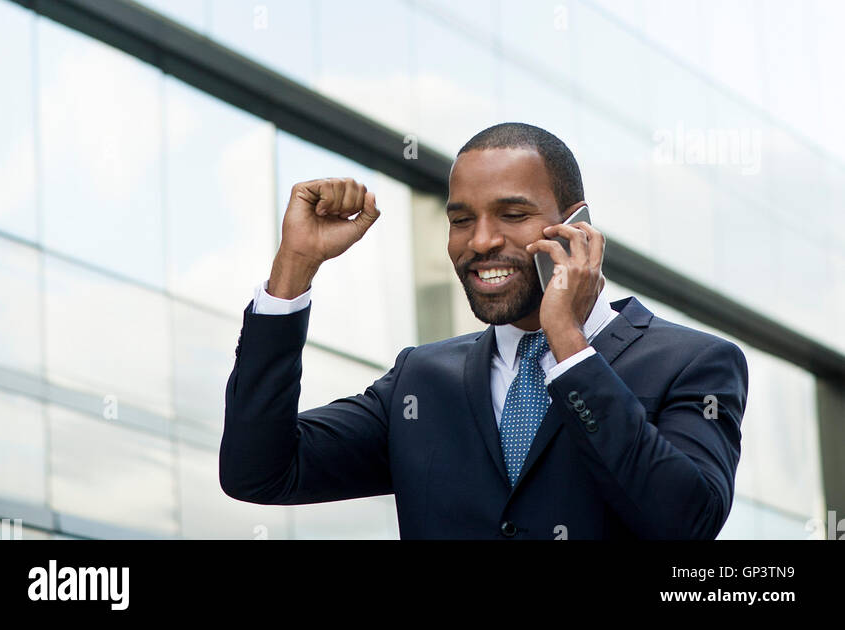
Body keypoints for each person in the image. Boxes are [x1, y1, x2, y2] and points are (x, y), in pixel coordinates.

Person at [219, 122, 748, 540]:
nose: (481, 241)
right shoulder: (420, 381)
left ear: (577, 224)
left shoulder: (692, 363)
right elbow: (259, 471)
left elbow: (686, 523)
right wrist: (295, 267)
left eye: (512, 214)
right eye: (461, 220)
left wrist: (566, 341)